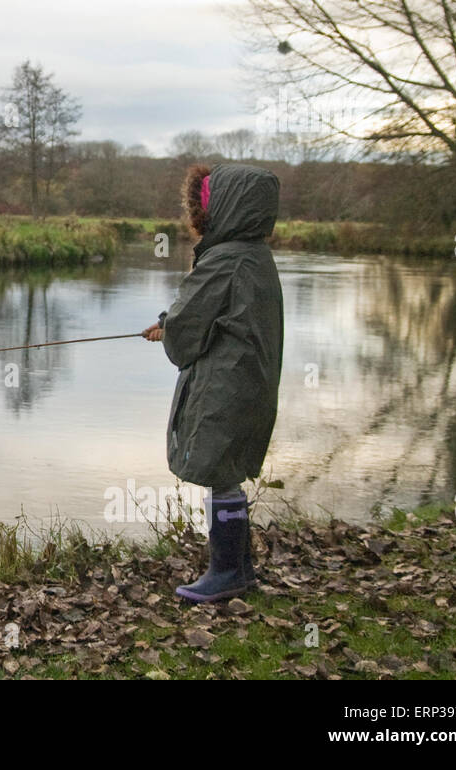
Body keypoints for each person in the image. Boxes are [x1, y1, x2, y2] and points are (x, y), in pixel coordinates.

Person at [141, 163, 284, 603]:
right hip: (251, 382)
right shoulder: (255, 255)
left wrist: (171, 326)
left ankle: (225, 573)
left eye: (202, 206)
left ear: (221, 208)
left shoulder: (224, 259)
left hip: (225, 384)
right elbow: (208, 312)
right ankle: (239, 569)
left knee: (219, 475)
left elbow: (187, 333)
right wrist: (172, 321)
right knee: (228, 474)